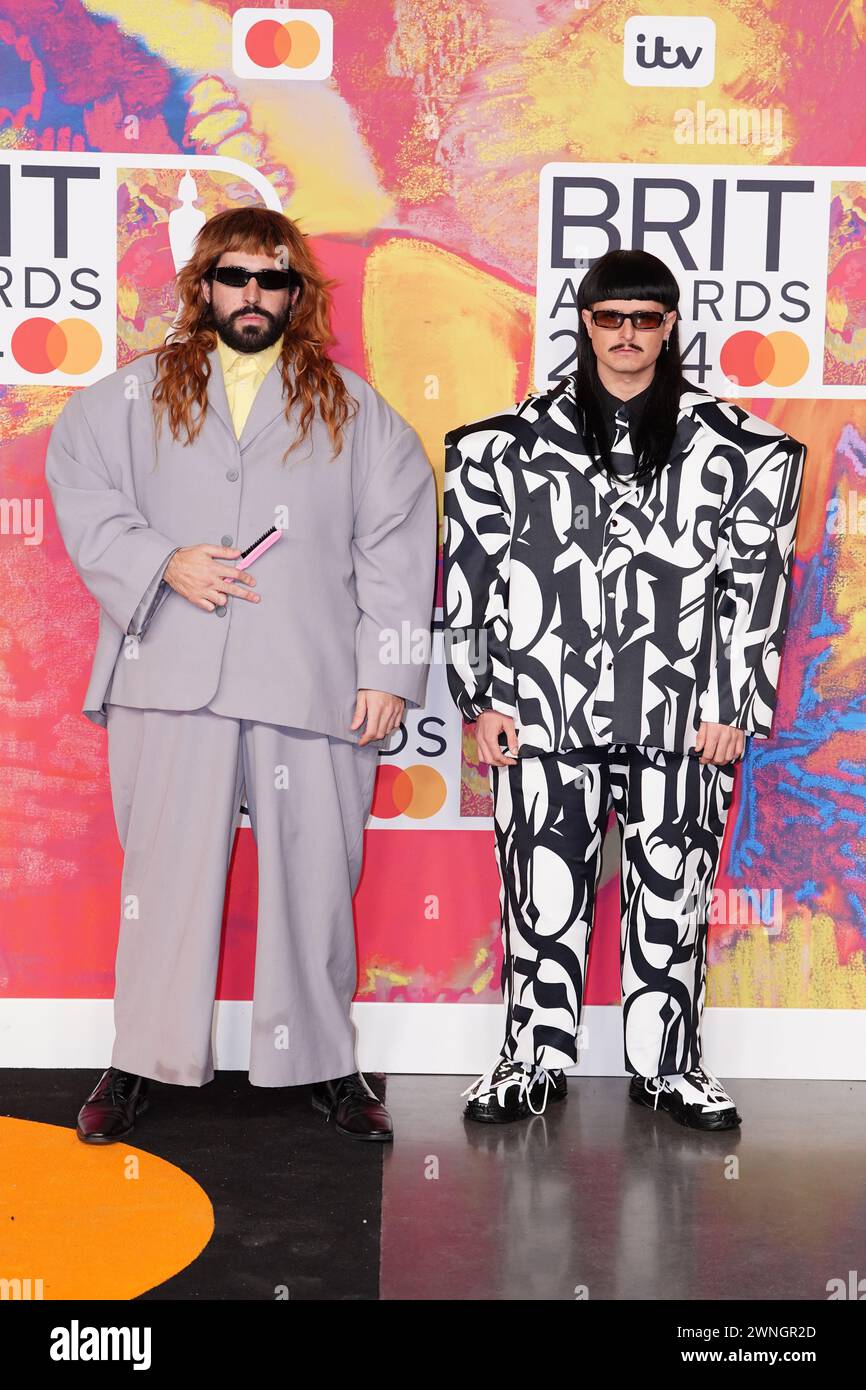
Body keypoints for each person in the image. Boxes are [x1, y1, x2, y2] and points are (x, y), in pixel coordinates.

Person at [45, 207, 438, 1144]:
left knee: (316, 877)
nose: (252, 295)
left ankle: (326, 1065)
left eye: (272, 279)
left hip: (311, 675)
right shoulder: (128, 399)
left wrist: (388, 667)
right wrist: (159, 561)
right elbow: (80, 482)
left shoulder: (352, 407)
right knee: (164, 880)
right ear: (204, 286)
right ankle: (140, 1059)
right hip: (168, 668)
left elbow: (397, 537)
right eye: (235, 276)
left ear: (297, 294)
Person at [441, 248, 806, 1130]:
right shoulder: (501, 447)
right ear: (587, 325)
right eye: (611, 318)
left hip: (682, 719)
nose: (628, 335)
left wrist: (733, 701)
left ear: (671, 324)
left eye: (646, 318)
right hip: (542, 711)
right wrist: (477, 697)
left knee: (673, 899)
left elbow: (757, 581)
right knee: (538, 895)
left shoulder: (745, 449)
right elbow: (468, 579)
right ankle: (528, 1062)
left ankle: (670, 1068)